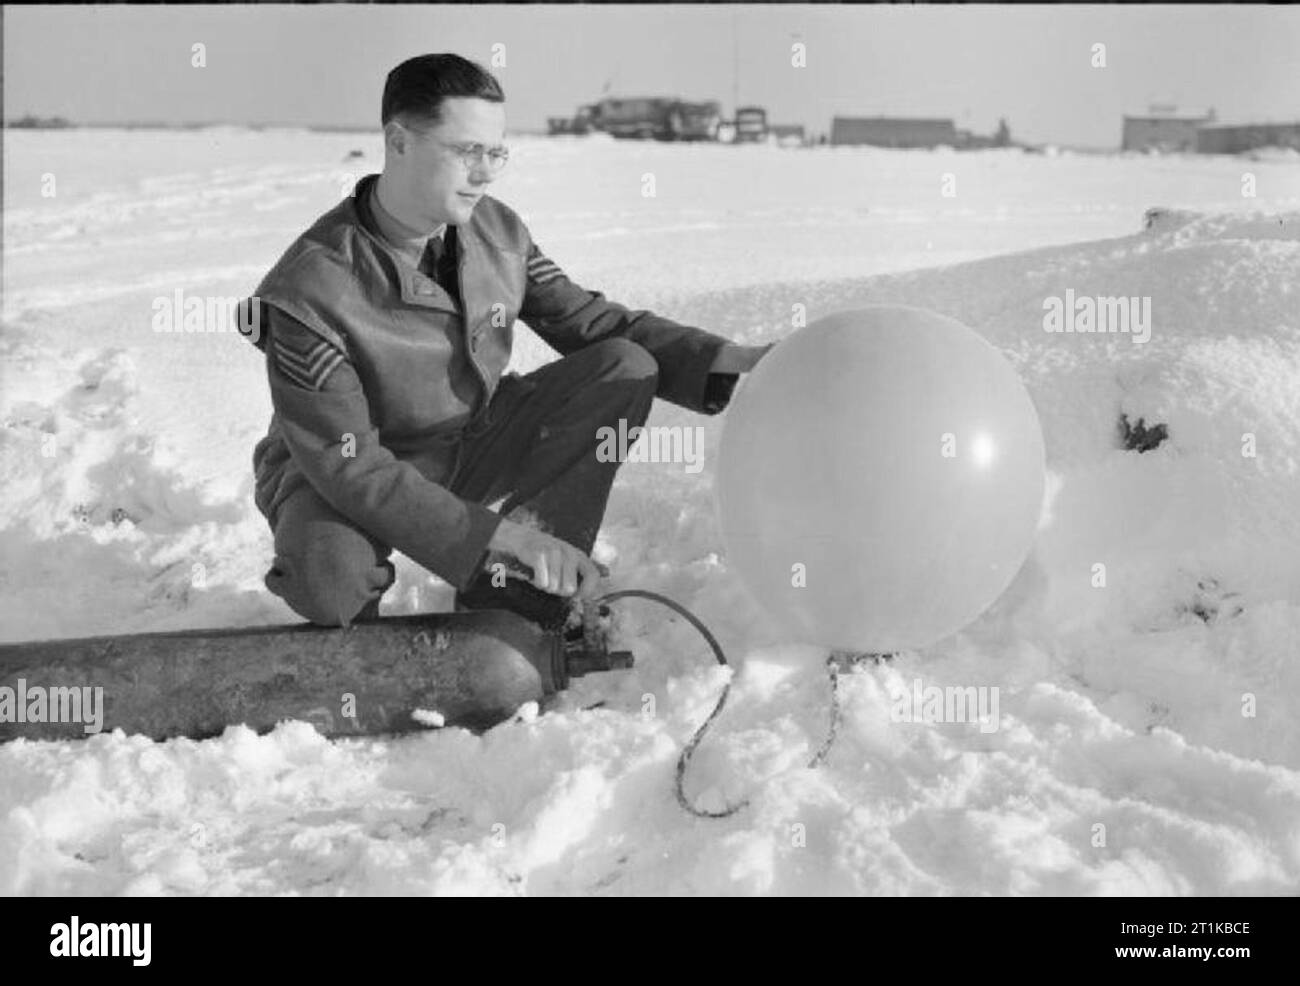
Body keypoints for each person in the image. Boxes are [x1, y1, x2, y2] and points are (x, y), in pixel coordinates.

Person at [241, 53, 771, 633]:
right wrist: (493, 535)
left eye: (496, 153)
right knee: (328, 580)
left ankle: (520, 584)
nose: (486, 172)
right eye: (467, 151)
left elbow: (589, 322)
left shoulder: (500, 232)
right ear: (398, 141)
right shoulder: (306, 292)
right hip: (346, 467)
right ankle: (480, 565)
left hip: (471, 439)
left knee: (623, 366)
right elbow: (352, 469)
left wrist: (724, 356)